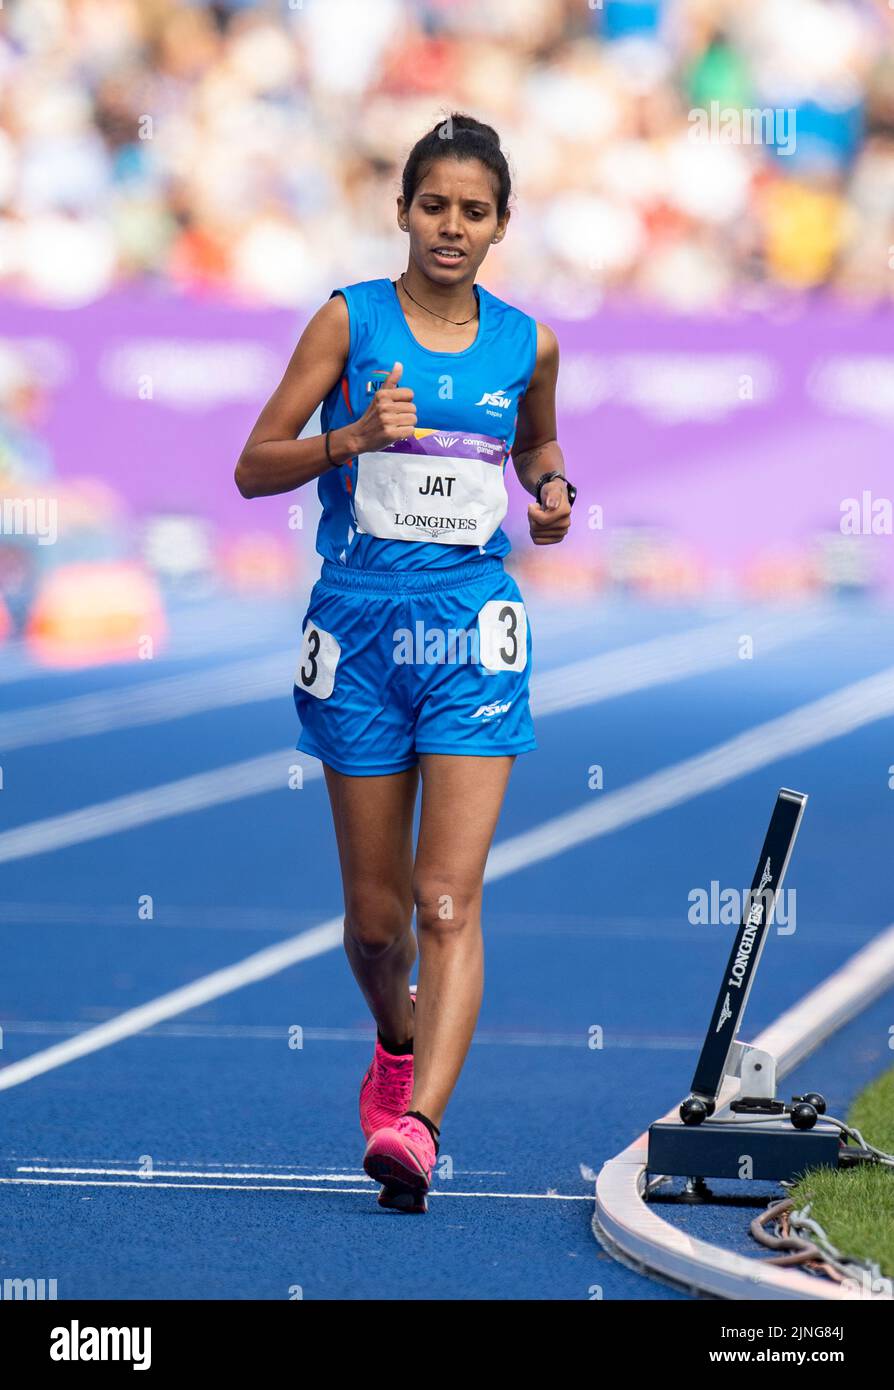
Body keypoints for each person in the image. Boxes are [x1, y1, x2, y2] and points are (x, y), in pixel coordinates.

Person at [236, 113, 575, 1213]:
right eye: (435, 205)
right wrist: (350, 440)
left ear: (500, 226)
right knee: (379, 922)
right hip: (362, 628)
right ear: (404, 211)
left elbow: (535, 442)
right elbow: (251, 467)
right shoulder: (349, 321)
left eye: (474, 212)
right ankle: (395, 1036)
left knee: (445, 900)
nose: (452, 227)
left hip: (473, 629)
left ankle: (420, 1128)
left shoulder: (530, 340)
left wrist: (554, 490)